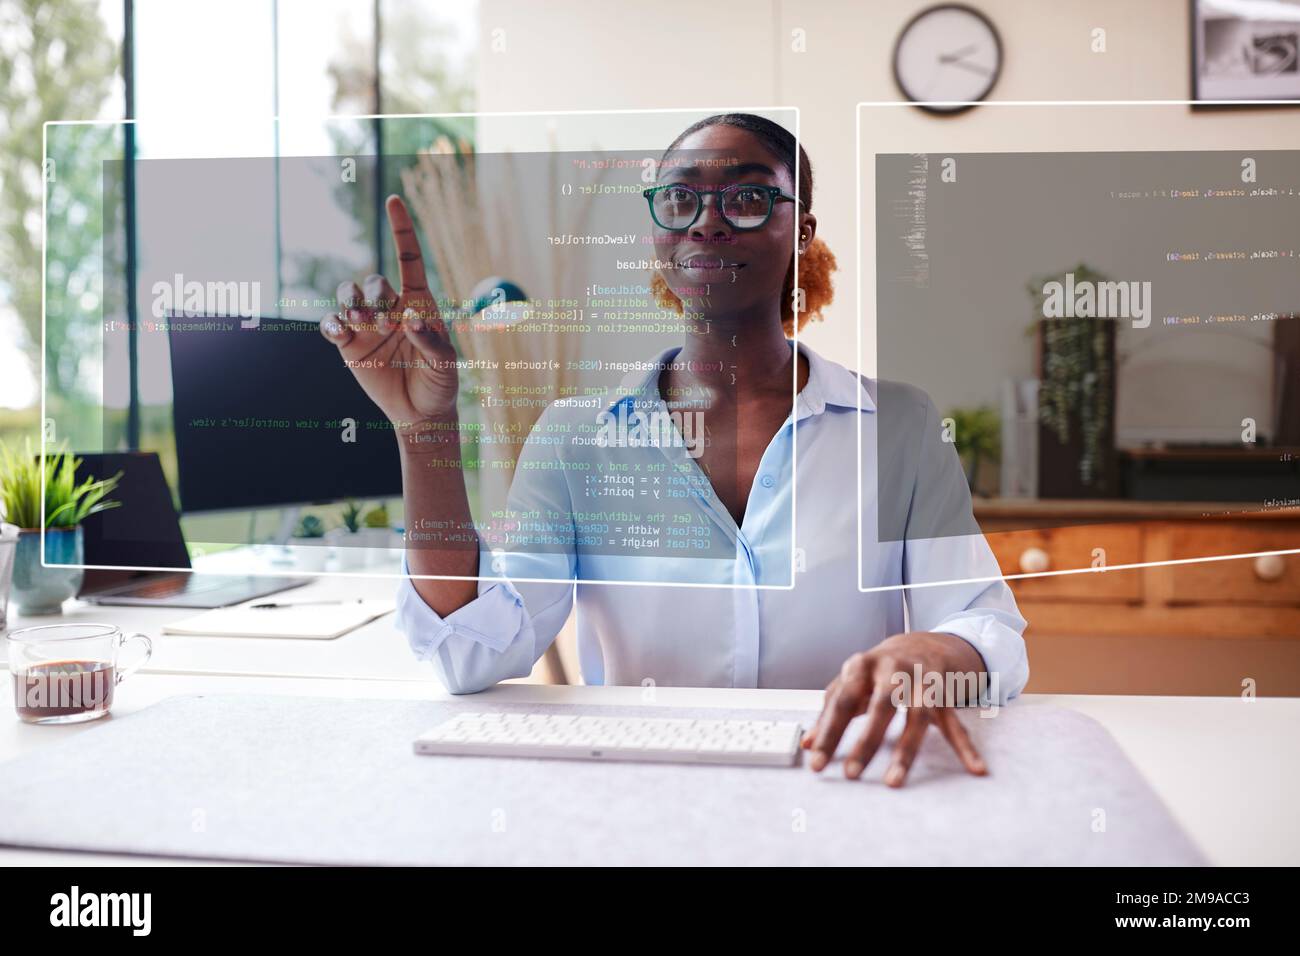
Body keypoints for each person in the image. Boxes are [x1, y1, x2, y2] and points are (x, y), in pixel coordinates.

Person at [320, 112, 1028, 787]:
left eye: (749, 196)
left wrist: (939, 649)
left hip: (842, 777)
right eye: (681, 199)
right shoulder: (575, 438)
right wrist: (425, 432)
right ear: (657, 228)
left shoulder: (897, 425)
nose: (709, 219)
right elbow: (469, 653)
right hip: (638, 797)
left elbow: (986, 625)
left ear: (802, 230)